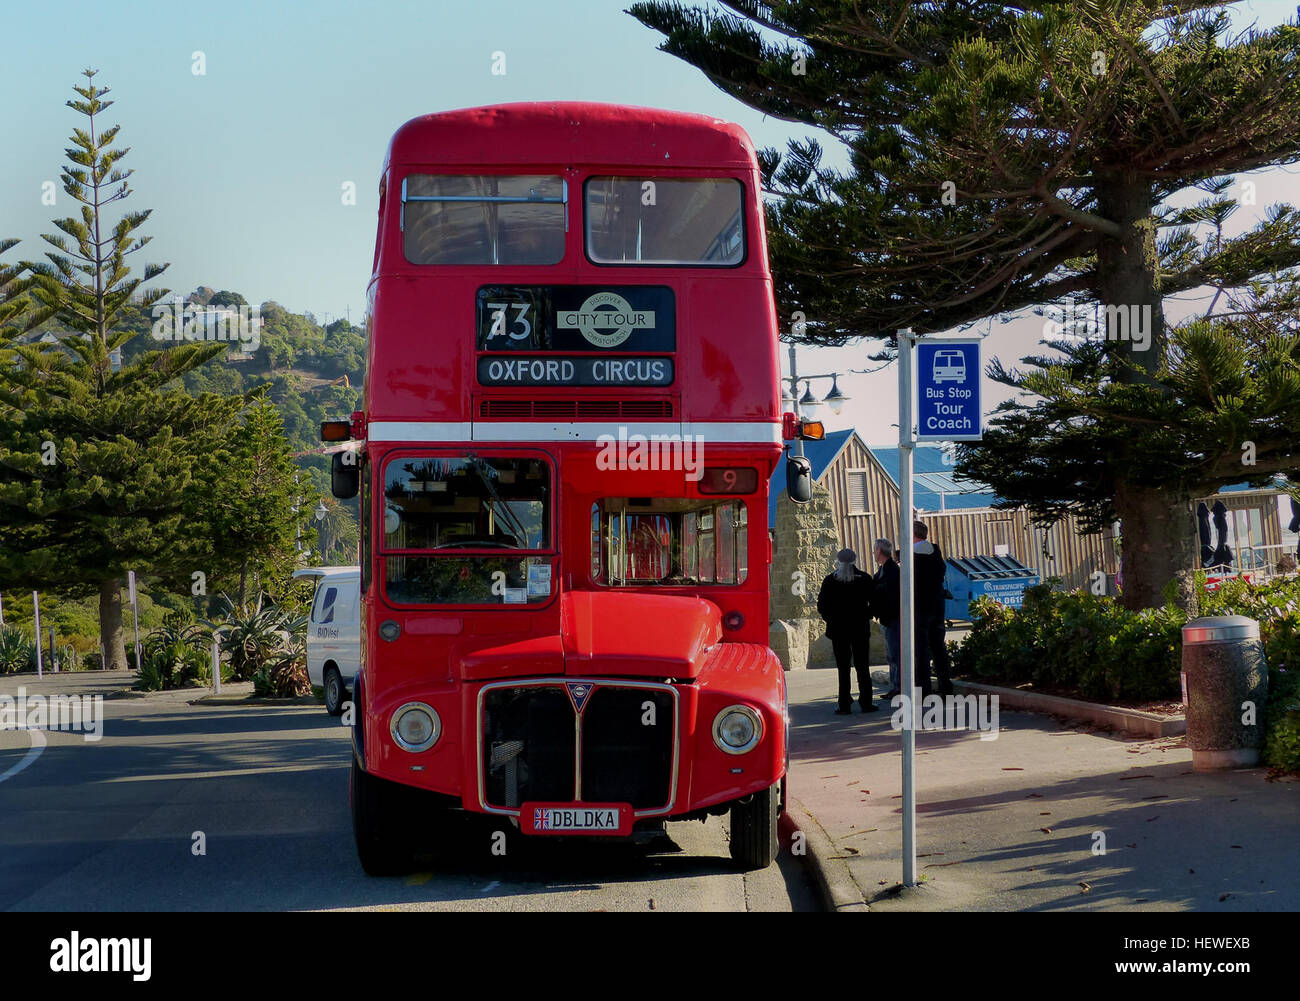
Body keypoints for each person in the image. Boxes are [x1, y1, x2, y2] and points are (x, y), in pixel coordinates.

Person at [816, 548, 878, 714]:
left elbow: (821, 606)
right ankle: (866, 702)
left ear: (838, 561)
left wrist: (831, 619)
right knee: (862, 666)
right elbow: (875, 602)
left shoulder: (830, 580)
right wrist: (866, 615)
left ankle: (844, 704)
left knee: (843, 668)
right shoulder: (864, 578)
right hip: (860, 628)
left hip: (838, 630)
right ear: (854, 560)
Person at [912, 520, 949, 696]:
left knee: (921, 650)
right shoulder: (935, 551)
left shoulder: (912, 556)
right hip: (937, 604)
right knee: (939, 647)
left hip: (920, 607)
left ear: (912, 534)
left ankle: (923, 689)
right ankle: (945, 686)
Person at [871, 539, 901, 699]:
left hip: (892, 619)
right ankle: (895, 686)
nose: (874, 553)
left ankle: (899, 687)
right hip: (887, 618)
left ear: (880, 551)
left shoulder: (891, 572)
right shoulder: (884, 571)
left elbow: (890, 596)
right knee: (891, 655)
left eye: (875, 550)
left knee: (895, 654)